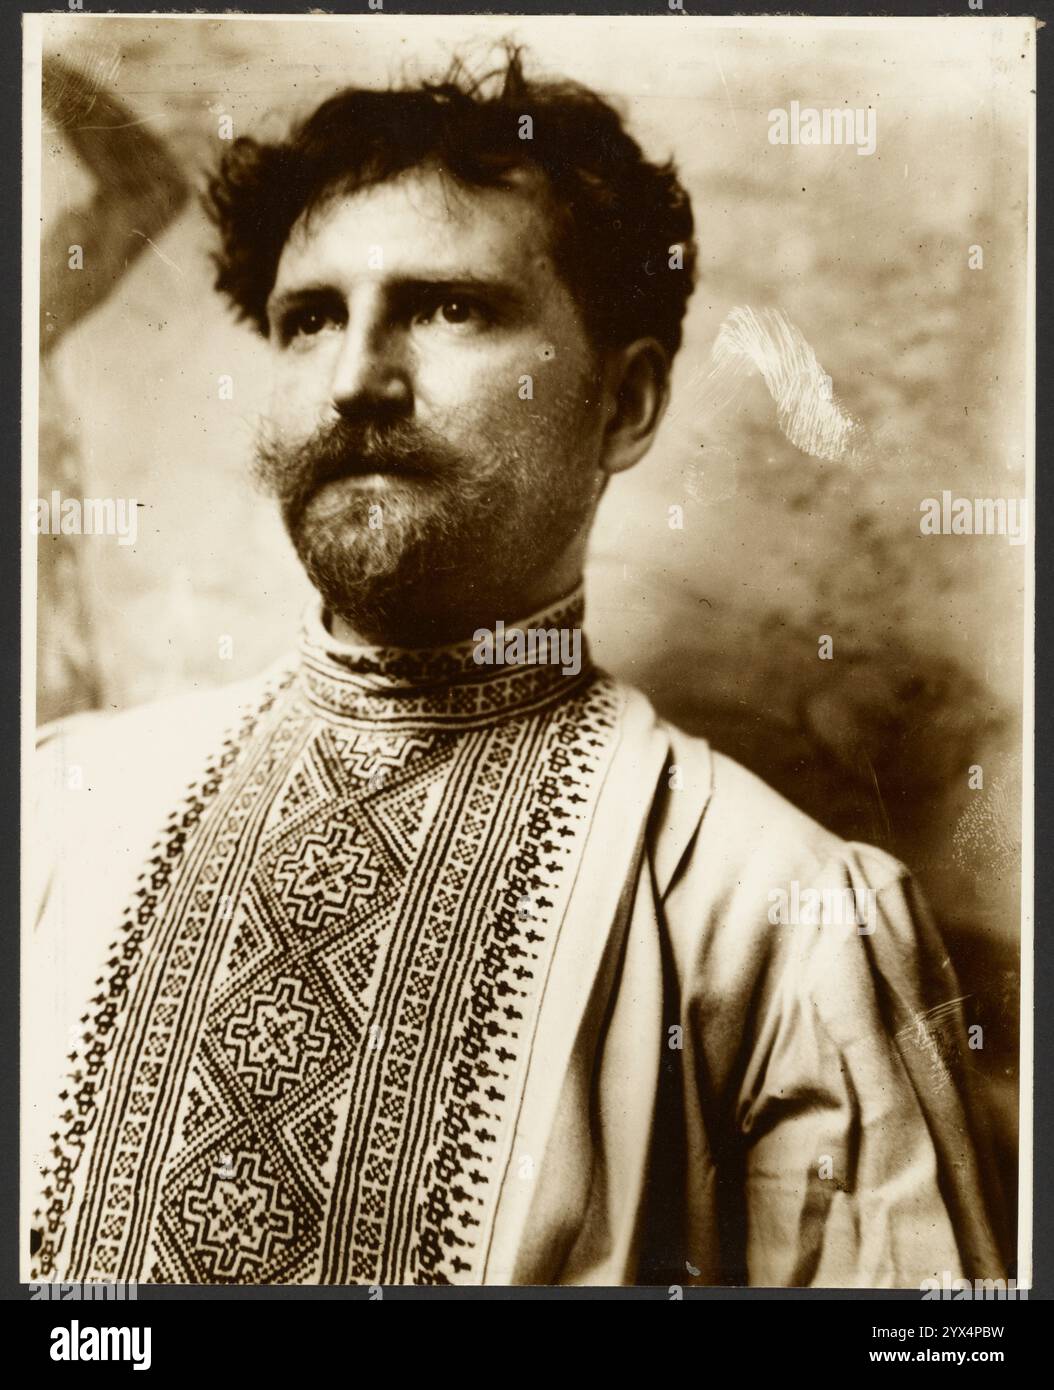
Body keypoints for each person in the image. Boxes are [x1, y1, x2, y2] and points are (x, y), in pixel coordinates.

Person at [26, 47, 1006, 1288]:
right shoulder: (59, 818)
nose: (355, 380)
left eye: (450, 307)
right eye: (309, 317)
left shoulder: (781, 921)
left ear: (626, 404)